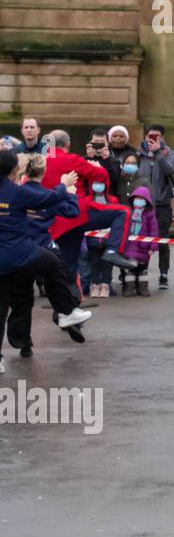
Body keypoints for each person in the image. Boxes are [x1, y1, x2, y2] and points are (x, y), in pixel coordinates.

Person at [0, 148, 93, 373]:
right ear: (14, 169)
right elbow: (50, 197)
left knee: (1, 308)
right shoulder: (17, 192)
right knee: (53, 264)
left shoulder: (17, 190)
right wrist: (65, 184)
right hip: (21, 253)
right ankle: (65, 312)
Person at [43, 130, 134, 285]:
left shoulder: (41, 160)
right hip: (75, 215)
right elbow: (101, 177)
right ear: (68, 144)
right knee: (123, 211)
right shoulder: (72, 159)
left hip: (53, 220)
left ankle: (66, 306)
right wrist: (98, 165)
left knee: (68, 264)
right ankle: (113, 250)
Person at [132, 124, 174, 289]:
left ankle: (163, 274)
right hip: (141, 204)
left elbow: (170, 171)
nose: (153, 139)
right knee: (140, 239)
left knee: (162, 240)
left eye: (157, 136)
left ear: (162, 137)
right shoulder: (138, 154)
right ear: (145, 136)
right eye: (150, 136)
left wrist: (158, 153)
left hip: (162, 203)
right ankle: (139, 272)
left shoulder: (168, 153)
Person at [118, 185, 160, 296]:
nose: (139, 201)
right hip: (130, 246)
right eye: (137, 198)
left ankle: (143, 288)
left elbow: (154, 232)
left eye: (142, 199)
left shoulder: (150, 215)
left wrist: (153, 246)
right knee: (129, 268)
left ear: (146, 201)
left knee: (143, 269)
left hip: (144, 247)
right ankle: (129, 288)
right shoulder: (128, 212)